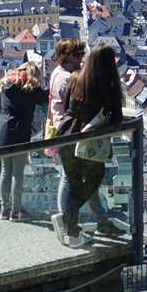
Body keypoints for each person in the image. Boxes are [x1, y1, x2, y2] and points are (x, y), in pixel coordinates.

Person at [54, 44, 125, 248]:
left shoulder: (75, 77)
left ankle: (72, 226)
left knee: (73, 181)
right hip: (89, 142)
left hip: (66, 135)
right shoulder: (107, 84)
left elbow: (67, 106)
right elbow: (116, 117)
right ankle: (69, 221)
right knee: (92, 181)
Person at [44, 39, 107, 224]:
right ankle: (66, 220)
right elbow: (79, 104)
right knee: (71, 177)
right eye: (77, 55)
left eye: (81, 55)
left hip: (62, 128)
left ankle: (101, 219)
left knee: (83, 176)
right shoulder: (67, 78)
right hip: (71, 132)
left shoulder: (57, 73)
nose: (80, 60)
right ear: (66, 56)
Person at [0, 61, 46, 220]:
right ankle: (16, 211)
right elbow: (47, 94)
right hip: (19, 134)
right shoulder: (32, 91)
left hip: (2, 132)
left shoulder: (7, 86)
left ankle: (4, 208)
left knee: (5, 171)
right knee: (17, 174)